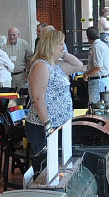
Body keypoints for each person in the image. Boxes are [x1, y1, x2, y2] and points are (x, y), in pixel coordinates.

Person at [25, 29, 74, 177]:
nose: (63, 47)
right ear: (51, 45)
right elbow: (38, 98)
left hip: (59, 125)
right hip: (43, 126)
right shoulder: (41, 65)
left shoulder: (56, 65)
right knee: (45, 169)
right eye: (60, 44)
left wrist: (63, 54)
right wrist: (48, 125)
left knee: (56, 167)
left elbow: (78, 65)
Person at [83, 26, 109, 106]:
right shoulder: (103, 45)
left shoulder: (96, 47)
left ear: (88, 37)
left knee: (95, 106)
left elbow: (98, 67)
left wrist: (86, 74)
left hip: (97, 81)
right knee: (104, 106)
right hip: (103, 79)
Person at [5, 27, 32, 91]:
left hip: (21, 76)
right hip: (8, 76)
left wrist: (28, 73)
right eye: (10, 35)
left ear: (18, 35)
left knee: (22, 94)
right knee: (10, 95)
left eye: (14, 35)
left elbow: (30, 59)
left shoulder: (24, 44)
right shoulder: (4, 44)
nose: (12, 37)